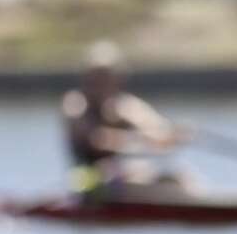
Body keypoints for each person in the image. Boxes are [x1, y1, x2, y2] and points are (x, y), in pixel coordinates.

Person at [60, 42, 190, 195]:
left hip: (121, 178)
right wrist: (139, 139)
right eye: (96, 77)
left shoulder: (123, 105)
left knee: (176, 179)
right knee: (125, 175)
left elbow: (154, 128)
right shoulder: (76, 104)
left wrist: (173, 134)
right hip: (87, 180)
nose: (101, 83)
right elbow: (94, 139)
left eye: (106, 77)